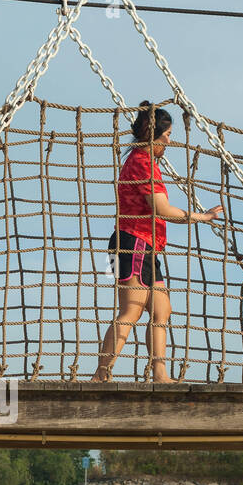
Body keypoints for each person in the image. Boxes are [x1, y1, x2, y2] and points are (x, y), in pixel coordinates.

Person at [92, 101, 223, 383]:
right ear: (155, 134)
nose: (169, 140)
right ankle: (101, 375)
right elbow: (161, 209)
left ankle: (160, 373)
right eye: (167, 134)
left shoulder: (143, 161)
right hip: (132, 242)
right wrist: (201, 217)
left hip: (141, 244)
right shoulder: (141, 162)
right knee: (131, 309)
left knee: (161, 308)